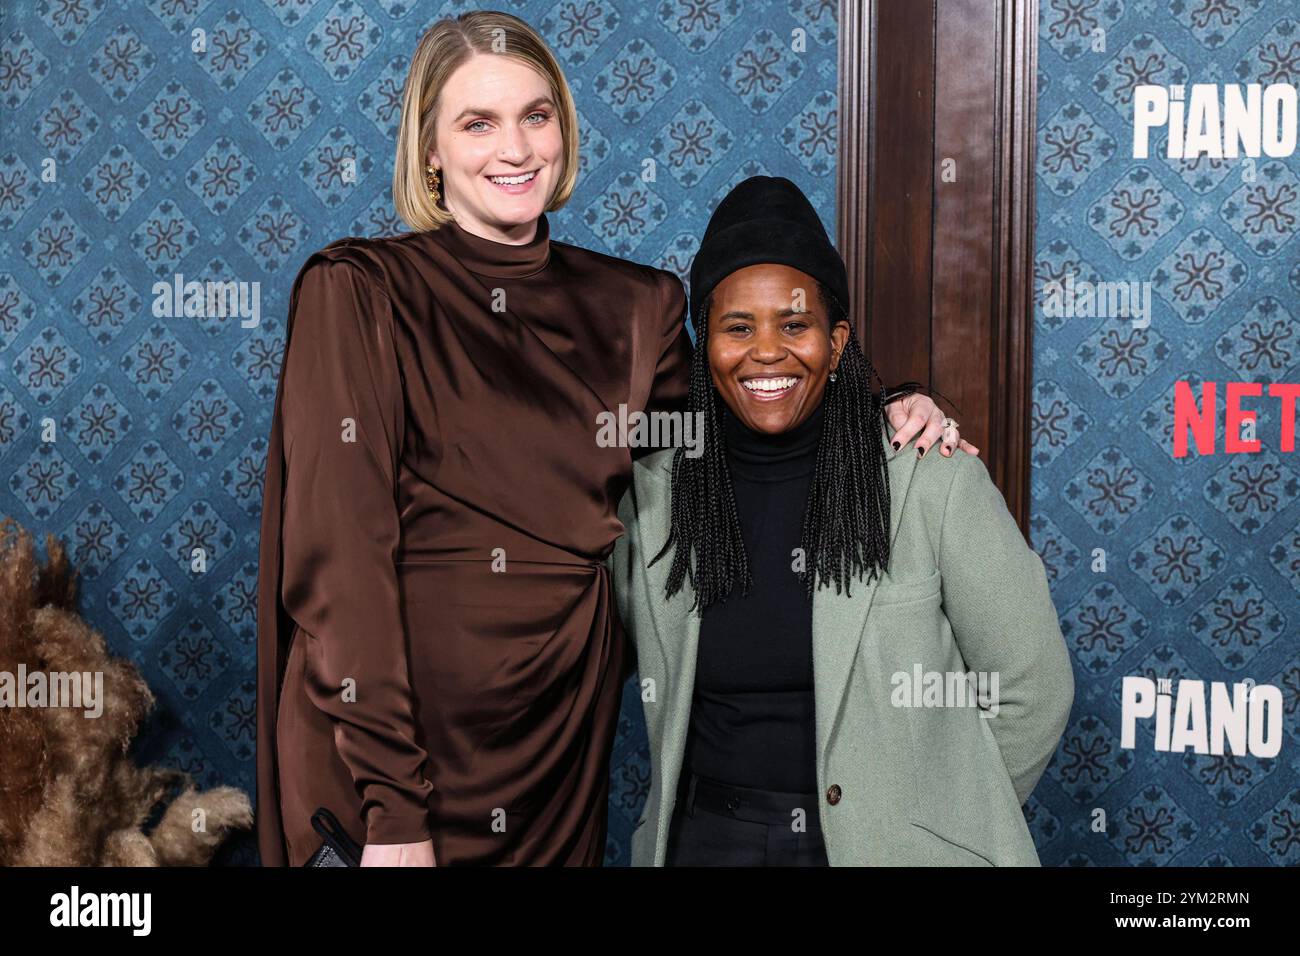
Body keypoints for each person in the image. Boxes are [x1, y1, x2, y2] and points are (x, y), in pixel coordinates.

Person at [256, 12, 966, 867]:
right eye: (477, 122)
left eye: (536, 115)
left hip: (554, 749)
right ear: (430, 149)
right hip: (390, 762)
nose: (514, 148)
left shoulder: (639, 308)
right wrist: (394, 807)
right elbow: (338, 563)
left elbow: (735, 427)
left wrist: (884, 401)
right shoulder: (360, 293)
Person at [610, 176, 1075, 866]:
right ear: (704, 344)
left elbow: (1031, 687)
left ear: (836, 340)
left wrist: (938, 827)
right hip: (706, 841)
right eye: (738, 328)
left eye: (794, 325)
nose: (767, 352)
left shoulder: (928, 478)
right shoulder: (654, 501)